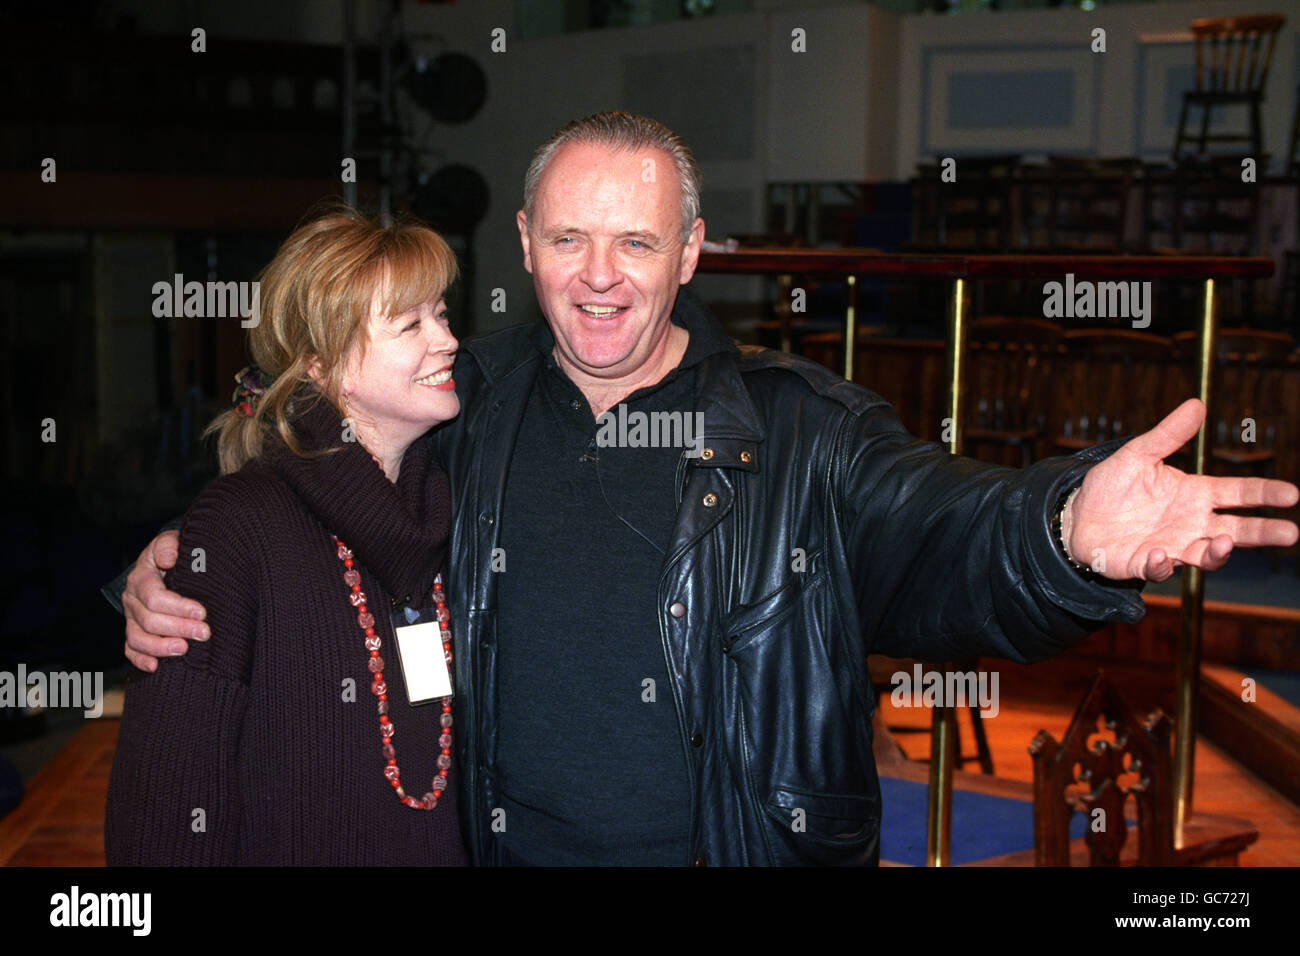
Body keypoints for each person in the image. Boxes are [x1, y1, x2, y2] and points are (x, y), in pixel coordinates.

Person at [115, 112, 1300, 866]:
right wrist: (185, 551)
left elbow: (941, 534)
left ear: (691, 253)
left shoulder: (800, 430)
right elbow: (327, 458)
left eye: (637, 243)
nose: (598, 276)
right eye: (570, 238)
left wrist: (1062, 530)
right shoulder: (464, 416)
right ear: (524, 243)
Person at [106, 208, 467, 865]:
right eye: (411, 323)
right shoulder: (238, 527)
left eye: (441, 315)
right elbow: (162, 814)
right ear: (323, 367)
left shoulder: (448, 512)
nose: (447, 341)